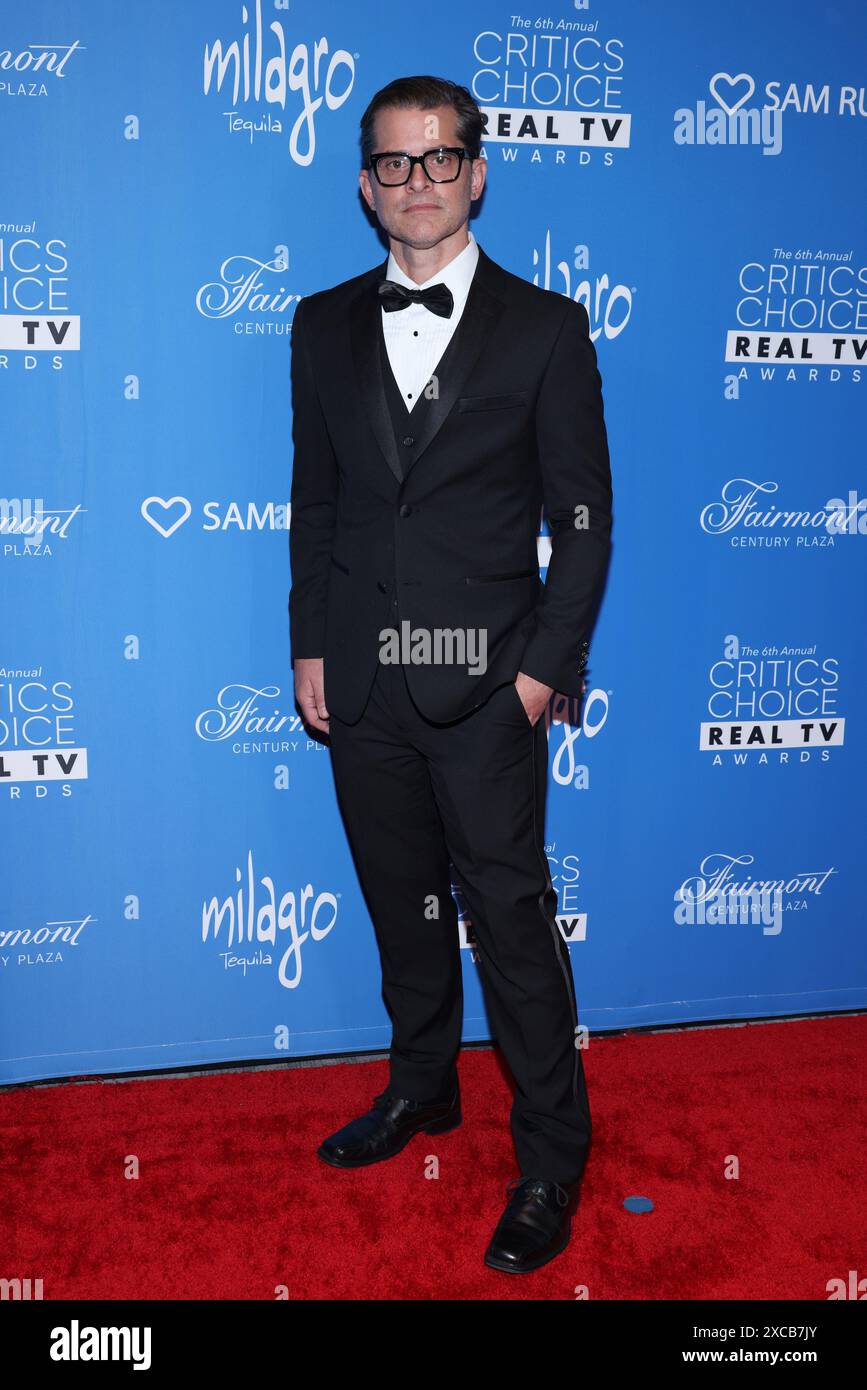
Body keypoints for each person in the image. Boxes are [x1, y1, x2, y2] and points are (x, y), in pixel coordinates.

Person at [289, 74, 612, 1274]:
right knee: (401, 906)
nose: (416, 183)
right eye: (392, 163)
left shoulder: (546, 328)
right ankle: (422, 1088)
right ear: (366, 184)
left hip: (488, 689)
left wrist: (543, 675)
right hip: (365, 681)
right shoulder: (319, 325)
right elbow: (314, 499)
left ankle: (550, 1157)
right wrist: (310, 641)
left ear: (477, 171)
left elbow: (585, 520)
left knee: (512, 922)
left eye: (439, 160)